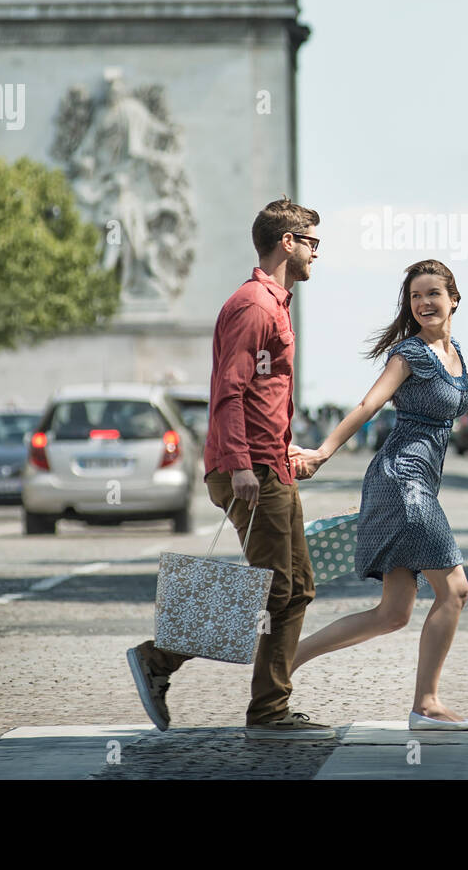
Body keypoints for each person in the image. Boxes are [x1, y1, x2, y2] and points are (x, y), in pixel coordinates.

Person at [127, 198, 333, 740]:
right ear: (287, 242)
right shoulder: (254, 306)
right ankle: (160, 657)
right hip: (251, 472)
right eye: (312, 241)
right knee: (274, 590)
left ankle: (270, 708)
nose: (317, 252)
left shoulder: (273, 304)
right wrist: (242, 463)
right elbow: (229, 391)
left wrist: (284, 446)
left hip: (270, 465)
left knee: (295, 589)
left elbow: (261, 395)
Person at [289, 259, 468, 731]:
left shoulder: (455, 351)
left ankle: (280, 663)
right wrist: (323, 452)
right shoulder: (410, 354)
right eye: (416, 296)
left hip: (417, 482)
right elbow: (368, 405)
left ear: (454, 299)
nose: (424, 303)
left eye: (433, 293)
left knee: (393, 614)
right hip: (402, 480)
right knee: (455, 590)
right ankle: (427, 705)